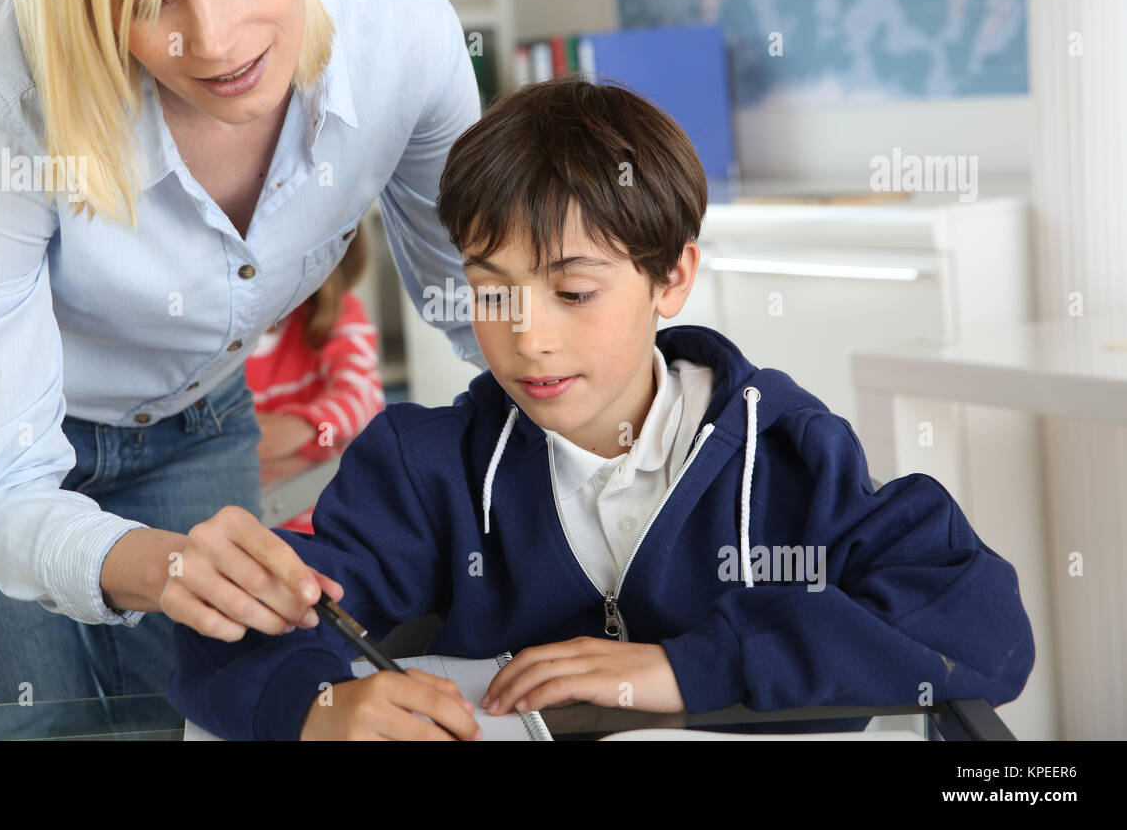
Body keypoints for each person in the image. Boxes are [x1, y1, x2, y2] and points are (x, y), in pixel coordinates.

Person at [165, 76, 1037, 740]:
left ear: (673, 279)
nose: (528, 338)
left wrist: (685, 668)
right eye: (493, 292)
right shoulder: (423, 469)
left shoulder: (792, 457)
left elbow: (983, 622)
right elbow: (234, 626)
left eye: (574, 292)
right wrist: (319, 703)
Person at [0, 0, 483, 709]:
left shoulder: (406, 36)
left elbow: (485, 301)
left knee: (197, 717)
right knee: (41, 730)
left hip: (189, 413)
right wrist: (168, 567)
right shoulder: (1, 90)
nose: (212, 41)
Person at [245, 220, 384, 532]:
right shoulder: (217, 339)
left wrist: (302, 427)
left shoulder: (338, 313)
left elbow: (365, 399)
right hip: (241, 529)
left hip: (323, 529)